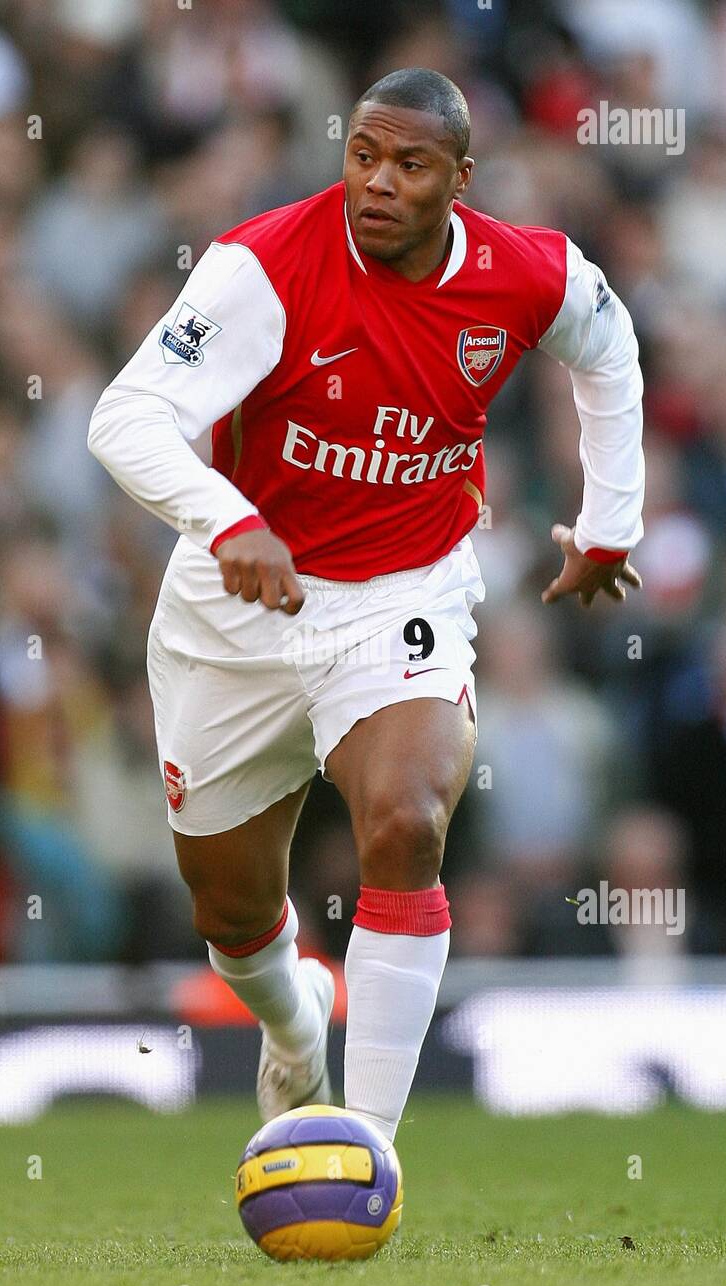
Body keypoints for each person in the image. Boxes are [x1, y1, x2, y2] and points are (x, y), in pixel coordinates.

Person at [88, 67, 644, 1141]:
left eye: (409, 164)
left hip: (401, 594)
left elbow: (609, 351)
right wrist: (227, 517)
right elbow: (127, 417)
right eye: (361, 155)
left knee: (406, 822)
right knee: (233, 915)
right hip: (237, 611)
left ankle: (366, 1144)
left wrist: (610, 519)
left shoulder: (522, 273)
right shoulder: (261, 268)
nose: (377, 182)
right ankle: (295, 1023)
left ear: (459, 179)